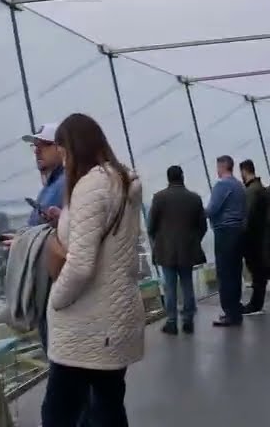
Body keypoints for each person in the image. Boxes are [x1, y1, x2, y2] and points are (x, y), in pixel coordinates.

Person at [42, 113, 145, 427]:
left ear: (73, 148)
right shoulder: (122, 181)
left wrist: (55, 300)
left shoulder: (90, 186)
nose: (63, 158)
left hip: (87, 324)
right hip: (118, 315)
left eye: (63, 151)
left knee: (58, 412)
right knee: (109, 405)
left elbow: (81, 265)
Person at [146, 165, 208, 335]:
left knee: (170, 286)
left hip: (166, 250)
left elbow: (151, 226)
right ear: (182, 176)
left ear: (168, 178)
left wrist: (158, 241)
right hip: (188, 249)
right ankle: (188, 320)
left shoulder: (159, 198)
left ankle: (172, 322)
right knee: (187, 284)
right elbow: (203, 226)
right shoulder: (194, 198)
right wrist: (194, 240)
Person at [207, 155, 247, 327]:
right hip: (238, 231)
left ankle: (229, 312)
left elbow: (212, 209)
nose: (216, 170)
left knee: (225, 272)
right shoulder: (239, 186)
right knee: (235, 272)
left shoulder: (222, 185)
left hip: (225, 232)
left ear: (223, 166)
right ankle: (235, 310)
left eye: (217, 167)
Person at [239, 159, 270, 316]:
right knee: (259, 272)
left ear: (244, 171)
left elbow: (248, 216)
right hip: (262, 236)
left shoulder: (251, 191)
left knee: (256, 272)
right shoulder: (261, 189)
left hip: (253, 239)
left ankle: (255, 305)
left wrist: (242, 236)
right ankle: (256, 303)